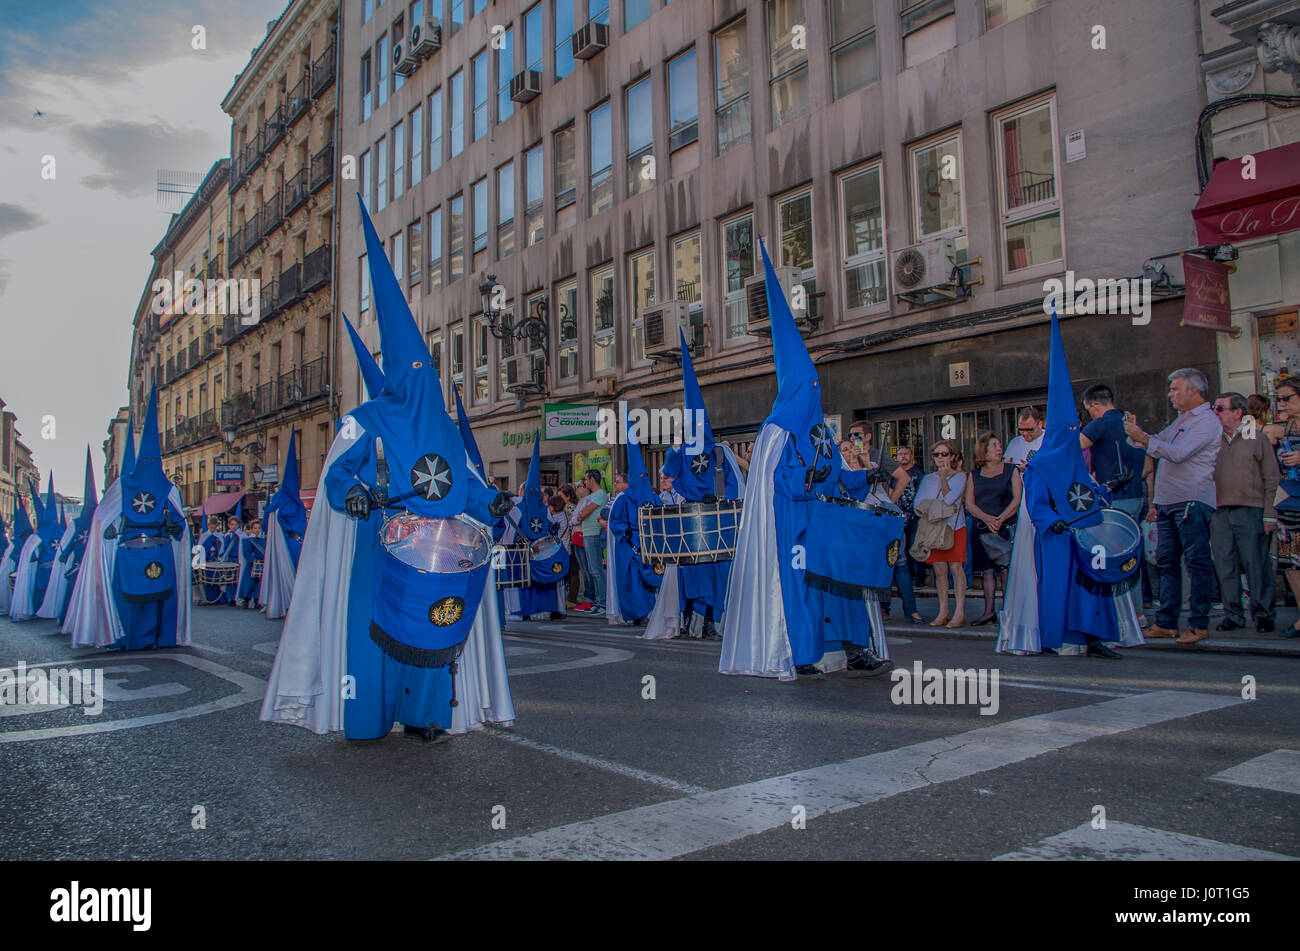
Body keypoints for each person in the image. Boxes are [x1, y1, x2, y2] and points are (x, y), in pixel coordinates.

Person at [261, 197, 514, 742]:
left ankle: (426, 715)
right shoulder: (365, 418)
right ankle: (367, 714)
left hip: (439, 546)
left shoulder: (445, 427)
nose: (422, 373)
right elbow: (336, 473)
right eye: (415, 366)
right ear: (400, 370)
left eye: (428, 366)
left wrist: (487, 501)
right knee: (369, 632)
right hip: (375, 542)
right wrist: (350, 491)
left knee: (433, 631)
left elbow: (462, 482)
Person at [721, 240, 898, 681]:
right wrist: (813, 476)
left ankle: (854, 649)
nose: (815, 394)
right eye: (809, 389)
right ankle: (801, 652)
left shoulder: (820, 431)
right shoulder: (776, 432)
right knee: (802, 591)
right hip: (794, 525)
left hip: (825, 522)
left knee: (845, 586)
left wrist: (860, 477)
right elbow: (781, 484)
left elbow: (836, 480)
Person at [1124, 368, 1221, 644]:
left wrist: (1143, 438)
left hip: (1191, 498)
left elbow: (1177, 454)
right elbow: (1158, 443)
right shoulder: (1182, 421)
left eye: (1175, 389)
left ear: (1193, 391)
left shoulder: (1206, 422)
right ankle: (1166, 622)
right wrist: (1137, 435)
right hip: (1168, 500)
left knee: (1196, 561)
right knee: (1167, 561)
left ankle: (1199, 623)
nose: (1170, 394)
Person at [661, 332, 746, 640]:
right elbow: (669, 473)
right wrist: (674, 446)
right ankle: (690, 619)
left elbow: (736, 487)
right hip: (691, 520)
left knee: (718, 571)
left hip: (718, 521)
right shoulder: (681, 452)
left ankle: (713, 621)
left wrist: (721, 498)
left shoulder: (720, 453)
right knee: (692, 571)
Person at [102, 384, 191, 651]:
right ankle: (139, 638)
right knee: (142, 599)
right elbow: (105, 521)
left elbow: (179, 527)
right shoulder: (161, 488)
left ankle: (152, 637)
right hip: (147, 551)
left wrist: (176, 528)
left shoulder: (152, 488)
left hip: (147, 550)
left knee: (152, 600)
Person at [1208, 393, 1280, 633]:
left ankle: (1263, 613)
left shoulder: (1256, 438)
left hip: (1251, 508)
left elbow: (1272, 477)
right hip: (1220, 510)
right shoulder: (1212, 439)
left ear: (1237, 412)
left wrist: (1270, 513)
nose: (1215, 412)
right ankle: (1233, 614)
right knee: (1225, 564)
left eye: (1220, 408)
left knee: (1255, 563)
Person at [965, 432, 1021, 626]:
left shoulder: (1011, 470)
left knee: (1005, 570)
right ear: (984, 451)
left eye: (999, 445)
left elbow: (1017, 499)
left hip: (1005, 527)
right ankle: (988, 611)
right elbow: (970, 503)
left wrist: (999, 519)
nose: (999, 449)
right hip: (982, 527)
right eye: (994, 446)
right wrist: (987, 519)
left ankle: (1008, 611)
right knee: (987, 571)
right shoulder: (974, 475)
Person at [914, 440, 968, 628]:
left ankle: (960, 611)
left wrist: (944, 478)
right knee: (939, 570)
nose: (939, 458)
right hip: (934, 527)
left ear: (953, 456)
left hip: (954, 527)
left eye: (944, 454)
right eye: (936, 454)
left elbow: (950, 499)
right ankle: (943, 610)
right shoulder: (928, 478)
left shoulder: (960, 477)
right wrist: (936, 507)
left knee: (956, 568)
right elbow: (919, 503)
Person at [260, 428, 307, 619]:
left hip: (286, 543)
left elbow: (267, 522)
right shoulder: (289, 503)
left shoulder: (276, 503)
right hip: (292, 543)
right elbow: (297, 523)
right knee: (297, 575)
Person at [1269, 377, 1300, 637]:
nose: (1282, 403)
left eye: (1287, 397)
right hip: (1289, 503)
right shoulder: (1284, 428)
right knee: (1291, 563)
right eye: (1278, 398)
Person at [846, 422, 909, 505]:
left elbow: (904, 478)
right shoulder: (848, 456)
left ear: (868, 436)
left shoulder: (880, 455)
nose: (853, 437)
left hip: (877, 504)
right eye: (850, 435)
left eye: (857, 434)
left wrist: (890, 502)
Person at [573, 469, 608, 615]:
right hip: (587, 533)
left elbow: (584, 513)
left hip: (593, 533)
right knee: (592, 570)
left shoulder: (599, 494)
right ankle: (598, 601)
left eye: (586, 480)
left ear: (592, 479)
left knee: (596, 570)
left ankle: (602, 602)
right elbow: (581, 513)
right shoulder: (593, 495)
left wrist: (581, 515)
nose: (585, 482)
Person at [896, 445, 927, 590]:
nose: (903, 456)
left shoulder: (918, 473)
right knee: (902, 548)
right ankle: (907, 578)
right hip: (900, 516)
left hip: (916, 516)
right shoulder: (895, 474)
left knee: (916, 546)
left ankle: (919, 578)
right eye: (900, 454)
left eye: (906, 454)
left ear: (911, 455)